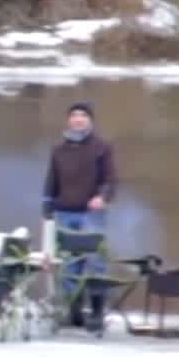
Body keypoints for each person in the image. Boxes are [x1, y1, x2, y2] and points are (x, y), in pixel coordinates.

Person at [41, 101, 118, 330]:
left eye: (83, 115)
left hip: (91, 214)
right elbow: (50, 182)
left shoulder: (101, 147)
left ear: (90, 120)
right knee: (68, 267)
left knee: (95, 264)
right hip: (64, 213)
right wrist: (46, 209)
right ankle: (74, 313)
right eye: (74, 115)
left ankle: (96, 314)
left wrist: (102, 197)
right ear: (68, 121)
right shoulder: (58, 149)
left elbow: (110, 179)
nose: (78, 119)